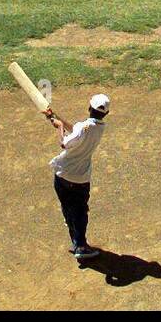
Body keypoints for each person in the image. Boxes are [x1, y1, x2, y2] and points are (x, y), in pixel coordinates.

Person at [45, 93, 109, 261]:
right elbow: (76, 131)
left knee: (67, 206)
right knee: (80, 211)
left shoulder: (84, 127)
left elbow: (64, 143)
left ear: (89, 108)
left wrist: (58, 126)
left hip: (62, 174)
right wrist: (56, 117)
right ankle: (80, 244)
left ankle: (76, 238)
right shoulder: (99, 128)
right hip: (80, 179)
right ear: (106, 114)